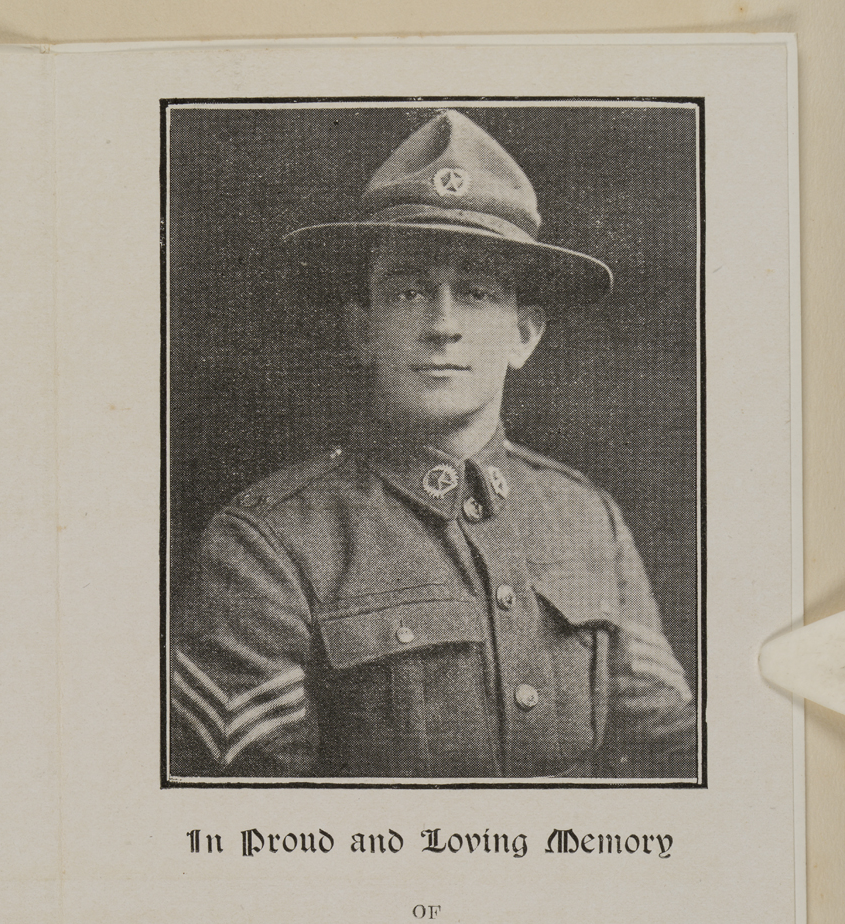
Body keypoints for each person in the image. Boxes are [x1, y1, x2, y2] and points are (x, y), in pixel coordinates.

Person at [170, 109, 696, 780]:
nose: (442, 324)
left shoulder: (588, 518)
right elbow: (270, 828)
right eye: (409, 289)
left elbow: (671, 759)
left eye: (475, 293)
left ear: (523, 335)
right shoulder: (266, 545)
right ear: (362, 331)